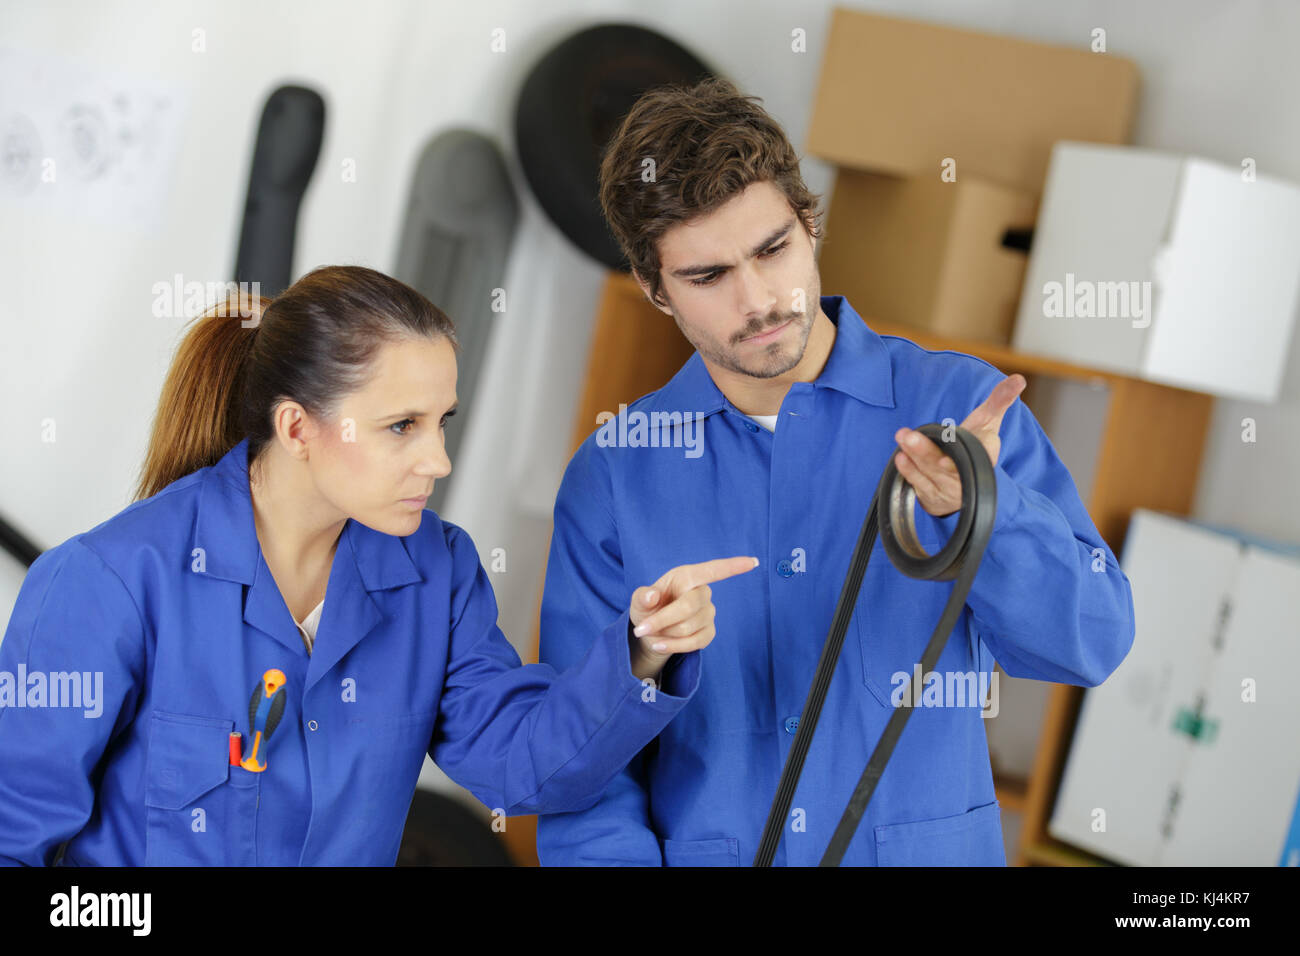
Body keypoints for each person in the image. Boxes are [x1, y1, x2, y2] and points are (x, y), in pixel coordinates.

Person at [536, 77, 1137, 866]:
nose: (758, 300)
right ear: (655, 291)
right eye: (708, 277)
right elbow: (579, 766)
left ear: (810, 224)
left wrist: (985, 518)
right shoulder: (614, 476)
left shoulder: (959, 409)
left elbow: (1089, 644)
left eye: (772, 250)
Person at [0, 264, 757, 866]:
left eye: (441, 422)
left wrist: (642, 651)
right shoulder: (106, 583)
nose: (439, 460)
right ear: (297, 428)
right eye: (402, 426)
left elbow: (523, 767)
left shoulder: (438, 574)